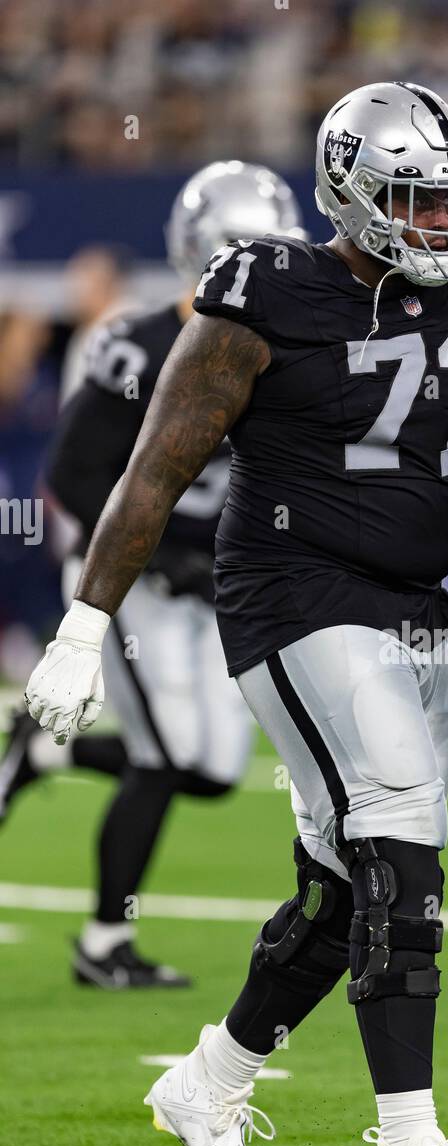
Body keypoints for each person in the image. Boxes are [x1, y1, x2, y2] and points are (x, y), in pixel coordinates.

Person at [22, 83, 448, 1146]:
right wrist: (86, 624)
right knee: (399, 851)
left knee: (343, 891)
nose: (439, 226)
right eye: (412, 203)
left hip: (411, 602)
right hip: (291, 594)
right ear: (349, 193)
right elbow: (156, 467)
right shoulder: (258, 296)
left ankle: (209, 1083)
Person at [1, 161, 306, 989]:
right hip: (128, 576)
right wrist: (163, 551)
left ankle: (45, 755)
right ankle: (105, 945)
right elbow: (72, 473)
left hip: (210, 585)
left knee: (209, 770)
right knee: (166, 754)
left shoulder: (290, 353)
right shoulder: (137, 346)